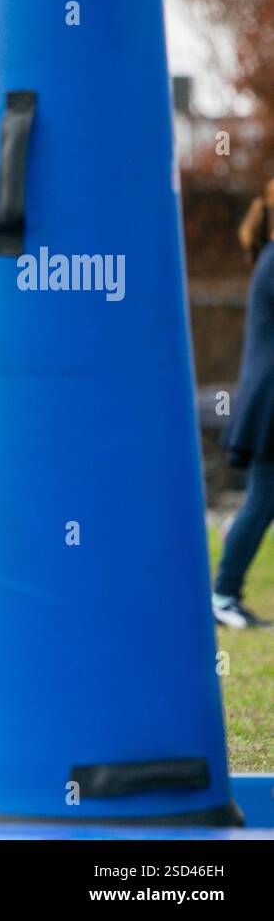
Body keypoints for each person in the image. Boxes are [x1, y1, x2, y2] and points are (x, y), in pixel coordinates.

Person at [213, 185, 274, 628]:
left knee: (262, 499)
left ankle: (224, 590)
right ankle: (222, 595)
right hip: (270, 402)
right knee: (262, 500)